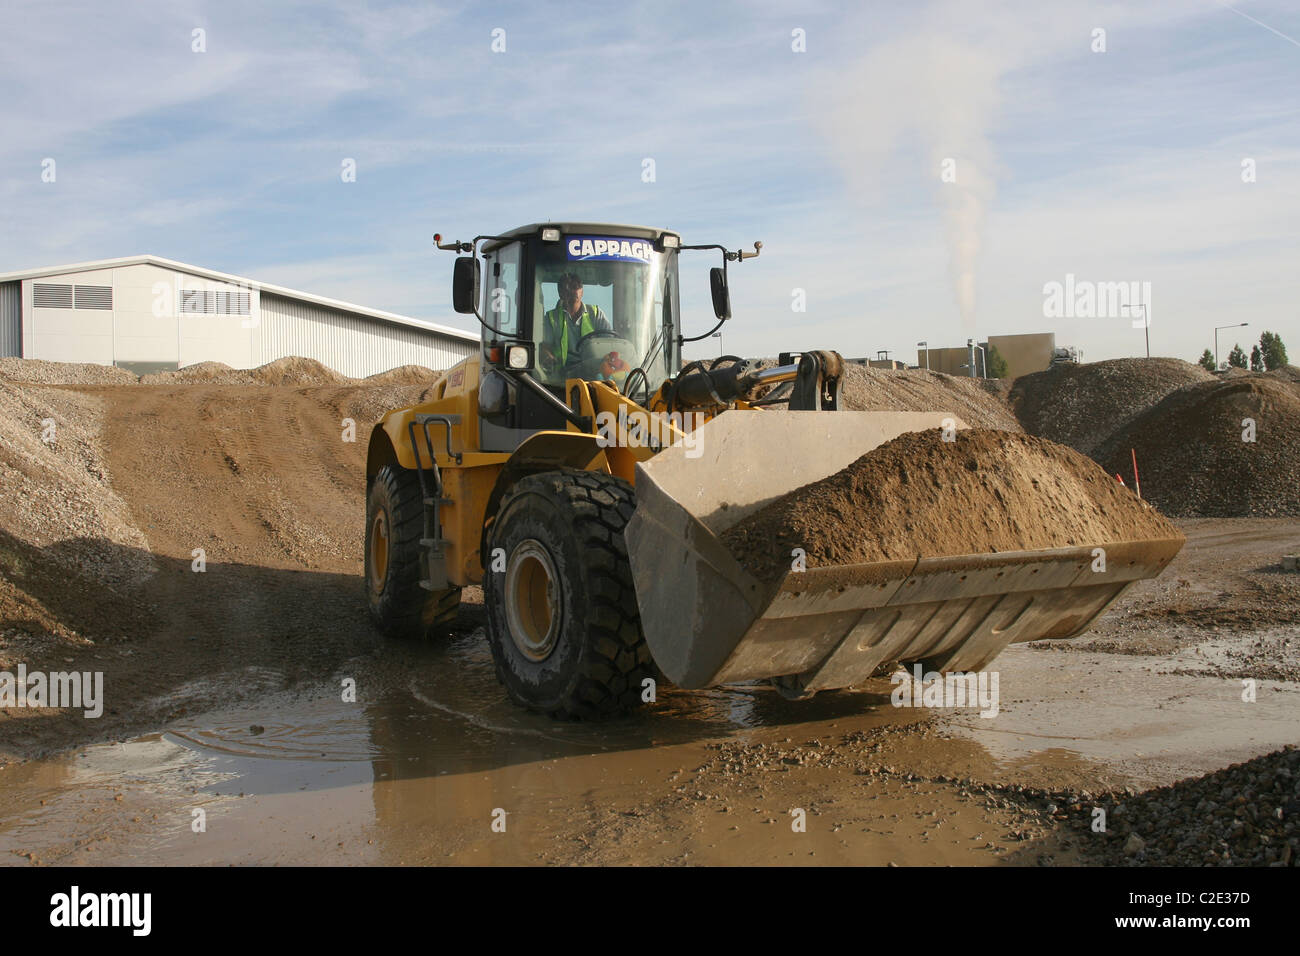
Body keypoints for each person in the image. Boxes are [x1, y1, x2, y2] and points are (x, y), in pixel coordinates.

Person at [540, 273, 611, 374]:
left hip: (592, 375)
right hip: (560, 376)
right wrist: (547, 356)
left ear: (582, 291)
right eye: (567, 288)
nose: (572, 291)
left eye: (575, 287)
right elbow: (544, 346)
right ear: (560, 293)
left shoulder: (596, 314)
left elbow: (609, 344)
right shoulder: (550, 318)